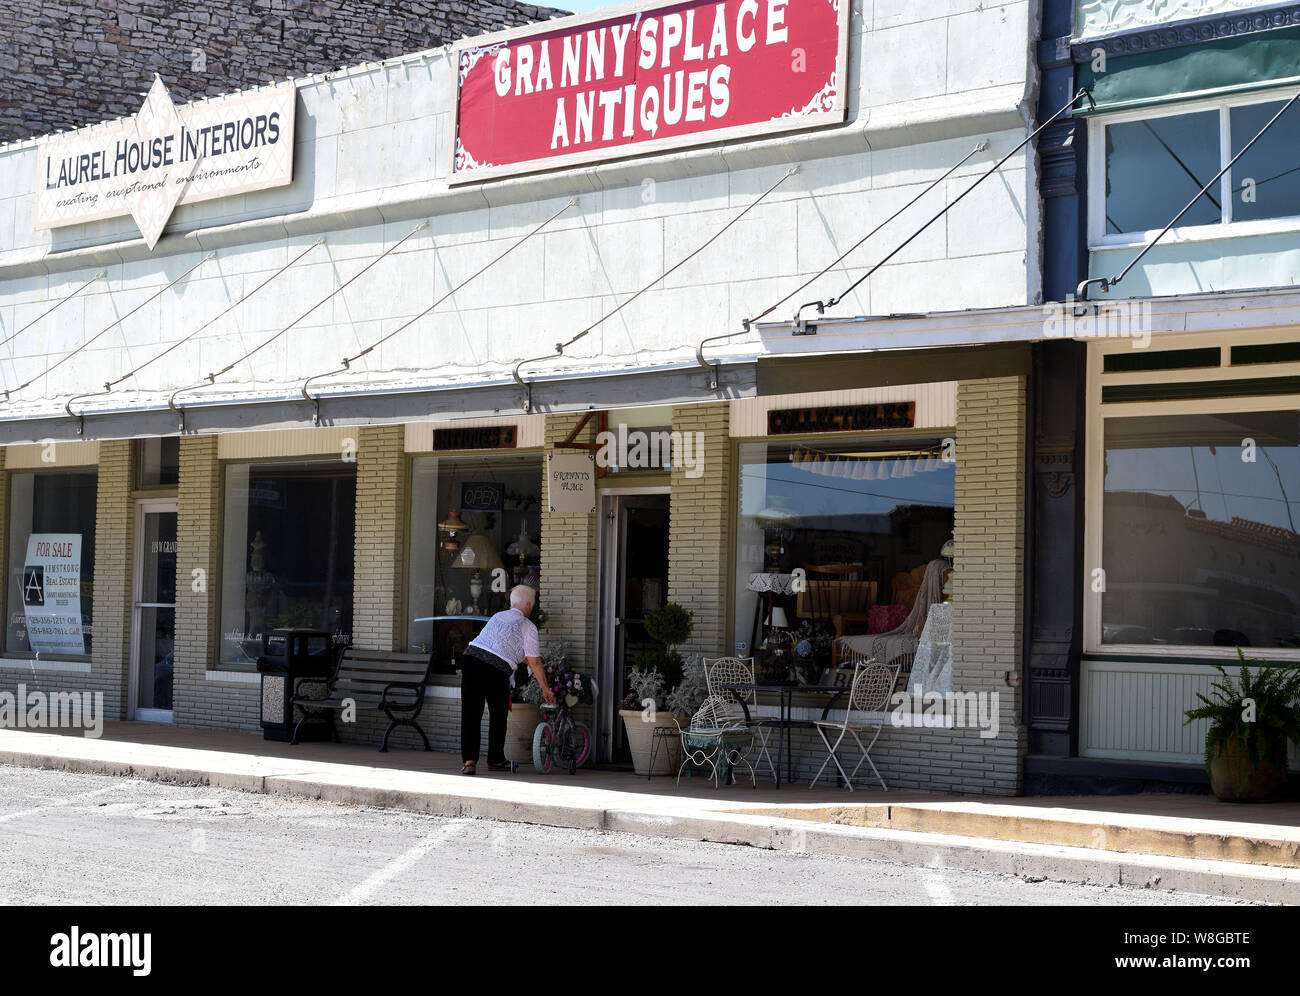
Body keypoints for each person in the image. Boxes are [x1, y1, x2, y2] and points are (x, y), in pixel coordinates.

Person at [459, 584, 553, 775]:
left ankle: (469, 761)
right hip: (495, 669)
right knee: (498, 714)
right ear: (528, 605)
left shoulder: (497, 617)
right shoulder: (528, 626)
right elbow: (534, 661)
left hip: (470, 660)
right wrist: (545, 688)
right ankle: (495, 759)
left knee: (471, 713)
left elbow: (507, 648)